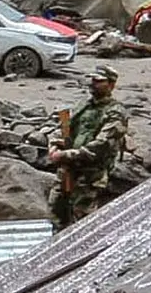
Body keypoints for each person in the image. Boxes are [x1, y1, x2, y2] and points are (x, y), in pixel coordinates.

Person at [47, 64, 130, 226]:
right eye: (93, 80)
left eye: (99, 81)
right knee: (57, 212)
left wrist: (65, 155)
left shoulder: (116, 112)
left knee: (83, 219)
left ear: (111, 84)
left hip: (90, 174)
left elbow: (101, 145)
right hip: (67, 170)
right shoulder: (84, 105)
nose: (93, 84)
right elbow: (64, 128)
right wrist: (55, 144)